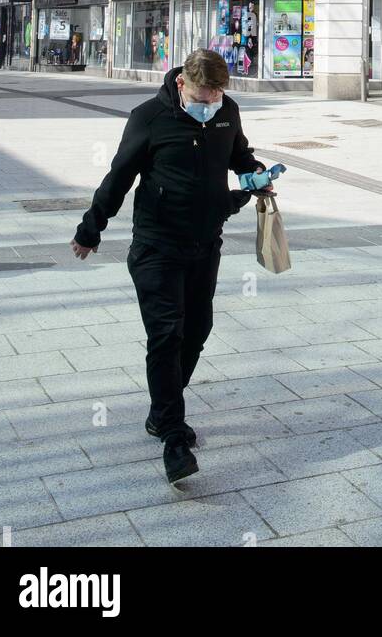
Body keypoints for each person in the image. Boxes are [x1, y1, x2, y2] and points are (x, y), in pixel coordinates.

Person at [69, 48, 271, 484]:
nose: (211, 98)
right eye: (204, 91)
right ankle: (174, 439)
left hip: (206, 243)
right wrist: (91, 229)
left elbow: (238, 154)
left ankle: (162, 412)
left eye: (218, 91)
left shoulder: (226, 111)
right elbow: (118, 177)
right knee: (166, 335)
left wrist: (255, 172)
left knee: (197, 332)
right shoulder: (149, 117)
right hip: (157, 247)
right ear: (182, 82)